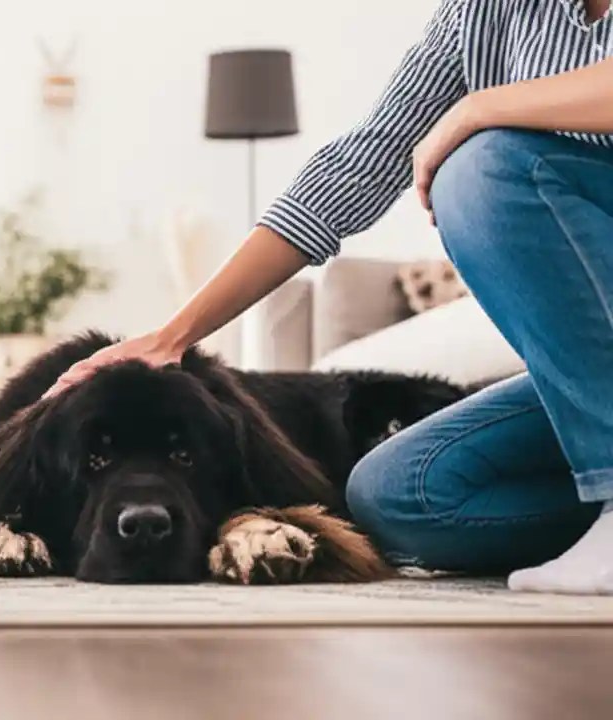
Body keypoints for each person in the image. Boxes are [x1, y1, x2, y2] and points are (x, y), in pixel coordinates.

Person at [46, 0, 613, 594]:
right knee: (395, 496)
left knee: (481, 170)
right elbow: (358, 166)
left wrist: (480, 106)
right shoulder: (486, 12)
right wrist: (174, 336)